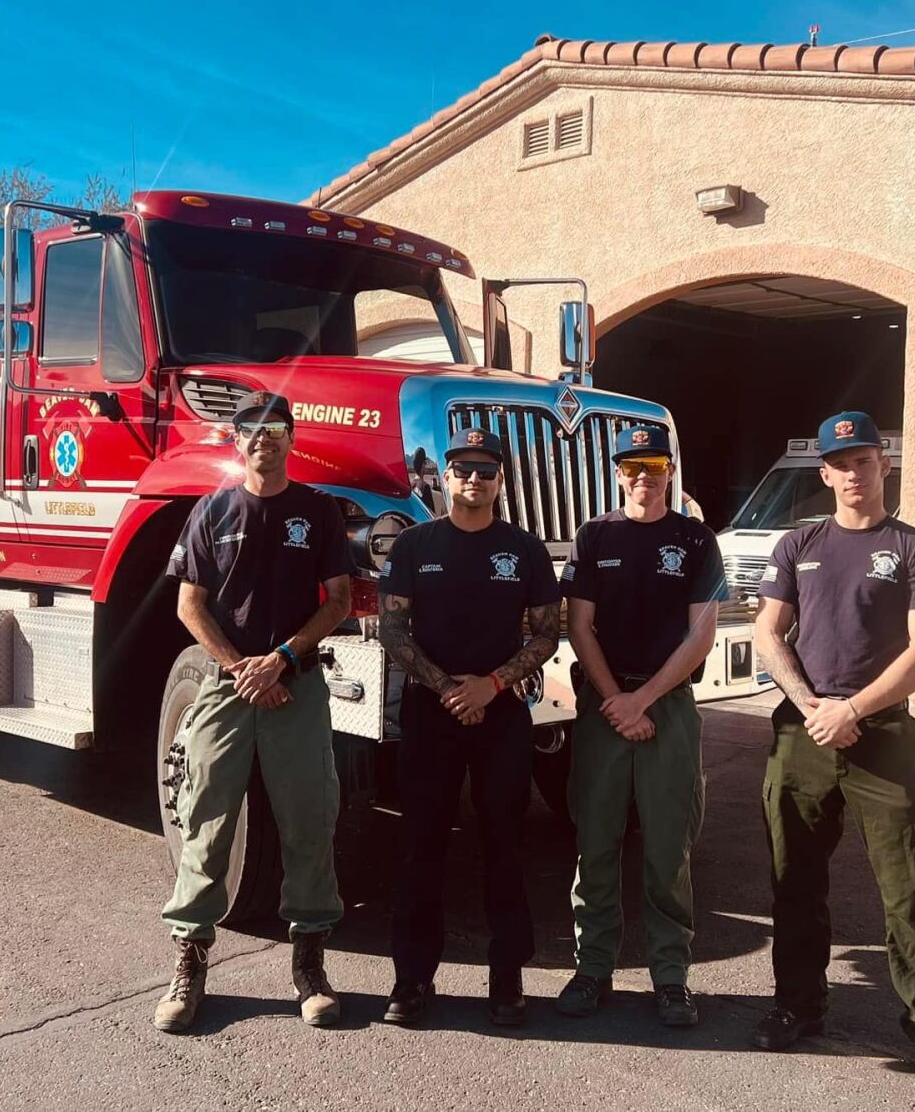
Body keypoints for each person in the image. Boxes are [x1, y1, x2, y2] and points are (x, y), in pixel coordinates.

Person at [751, 410, 915, 1089]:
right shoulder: (799, 544)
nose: (852, 473)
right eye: (840, 464)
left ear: (883, 466)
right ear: (825, 473)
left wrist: (853, 709)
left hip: (883, 739)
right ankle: (797, 1007)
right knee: (795, 883)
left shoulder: (914, 550)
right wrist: (812, 706)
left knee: (907, 892)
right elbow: (768, 632)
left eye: (863, 460)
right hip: (803, 735)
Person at [155, 391, 353, 1033]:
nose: (264, 438)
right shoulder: (211, 511)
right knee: (206, 816)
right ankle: (189, 965)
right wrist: (243, 667)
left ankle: (310, 967)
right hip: (227, 685)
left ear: (292, 439)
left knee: (309, 819)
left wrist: (285, 660)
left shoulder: (318, 513)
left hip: (295, 684)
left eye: (276, 428)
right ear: (235, 443)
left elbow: (341, 601)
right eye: (252, 430)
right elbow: (190, 605)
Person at [377, 428, 561, 1026]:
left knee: (504, 845)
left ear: (500, 481)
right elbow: (393, 631)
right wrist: (449, 688)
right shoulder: (414, 545)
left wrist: (492, 685)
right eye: (463, 469)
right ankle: (411, 979)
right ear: (446, 476)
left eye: (486, 470)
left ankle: (507, 977)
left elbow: (546, 632)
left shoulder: (525, 550)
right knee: (421, 845)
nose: (474, 480)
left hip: (501, 713)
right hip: (433, 715)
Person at [556, 423, 727, 1027]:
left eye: (653, 465)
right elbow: (579, 627)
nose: (642, 477)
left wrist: (645, 700)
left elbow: (700, 634)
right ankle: (592, 968)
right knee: (594, 844)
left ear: (669, 471)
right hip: (606, 706)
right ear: (618, 472)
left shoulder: (695, 539)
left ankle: (671, 976)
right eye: (631, 466)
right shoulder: (594, 534)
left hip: (668, 707)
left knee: (667, 847)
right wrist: (615, 701)